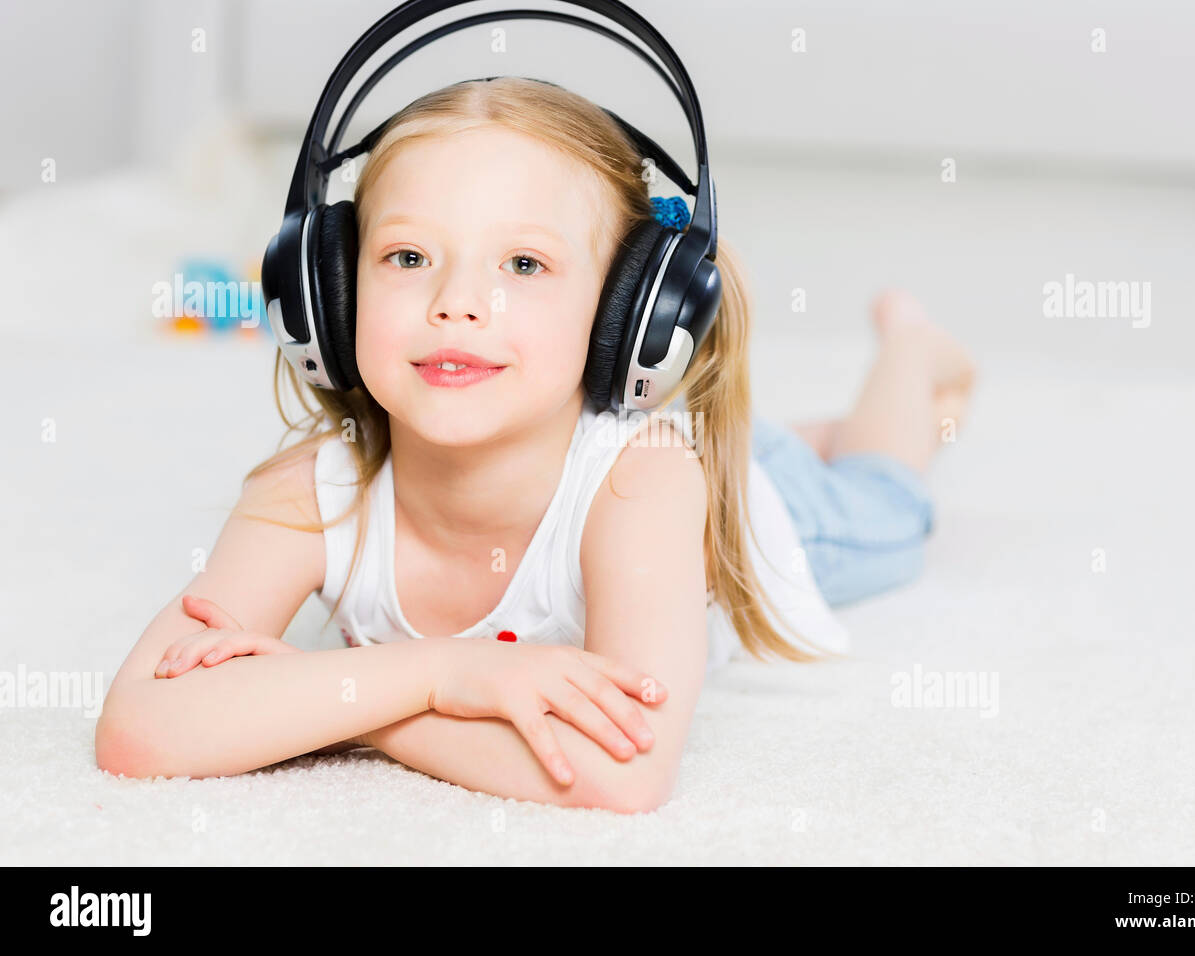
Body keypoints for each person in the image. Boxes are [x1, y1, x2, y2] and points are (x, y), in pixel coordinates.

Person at [96, 78, 976, 814]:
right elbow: (141, 727)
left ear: (627, 315)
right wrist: (445, 674)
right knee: (797, 449)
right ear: (328, 289)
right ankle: (803, 431)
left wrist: (355, 703)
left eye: (523, 265)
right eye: (407, 258)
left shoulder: (646, 484)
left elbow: (626, 773)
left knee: (886, 500)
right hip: (666, 467)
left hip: (761, 516)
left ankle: (909, 352)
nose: (457, 304)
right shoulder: (303, 495)